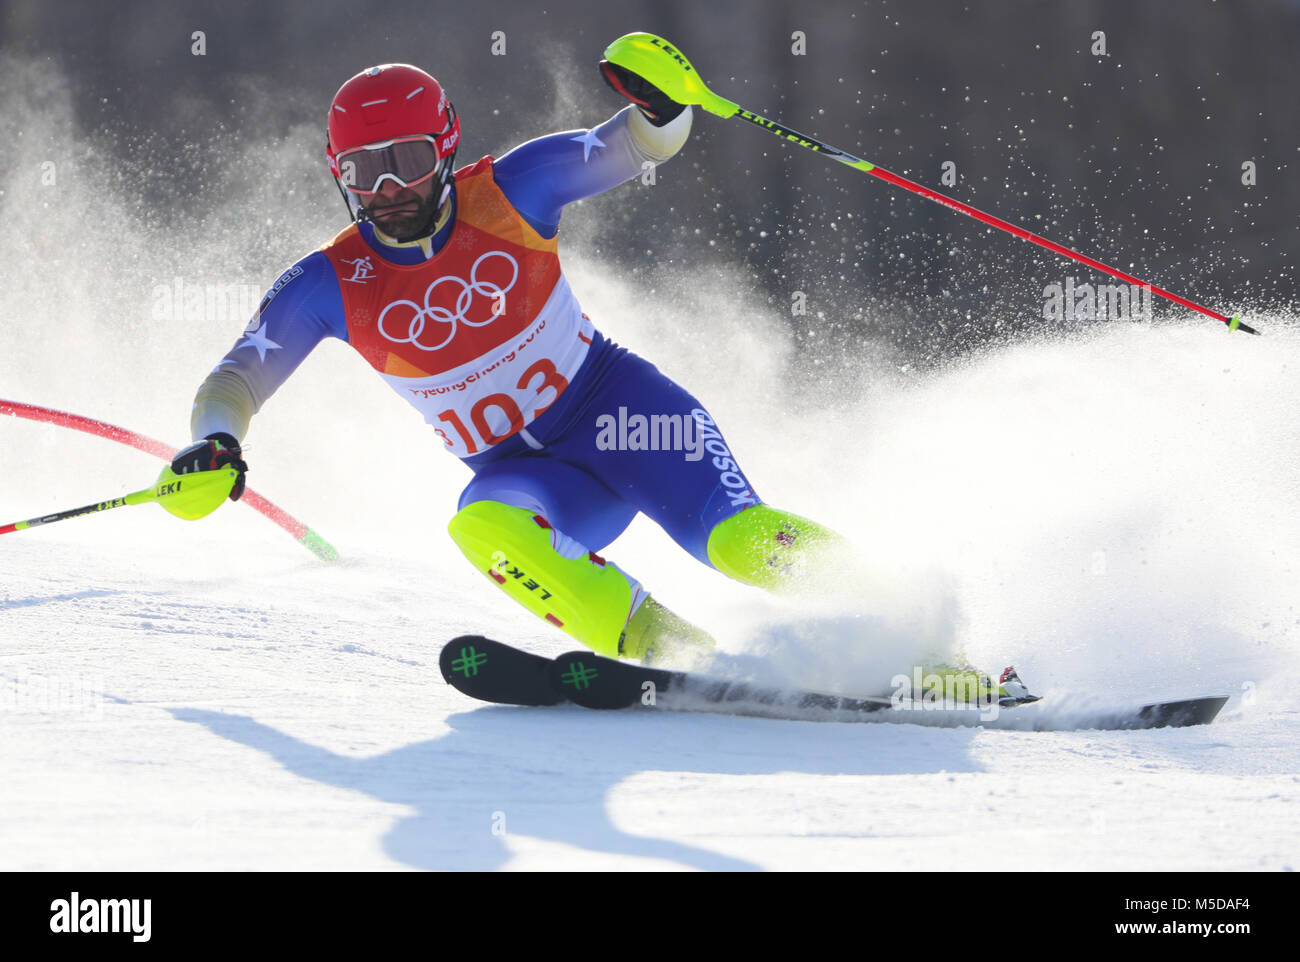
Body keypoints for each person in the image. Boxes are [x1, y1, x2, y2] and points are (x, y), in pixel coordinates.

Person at [171, 53, 1004, 697]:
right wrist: (214, 443)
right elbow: (237, 377)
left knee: (737, 539)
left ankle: (930, 644)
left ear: (446, 146)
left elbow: (630, 145)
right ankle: (684, 660)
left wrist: (661, 107)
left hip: (625, 418)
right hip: (530, 477)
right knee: (478, 526)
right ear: (338, 174)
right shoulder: (328, 281)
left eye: (408, 160)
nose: (388, 188)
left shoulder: (512, 188)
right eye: (364, 171)